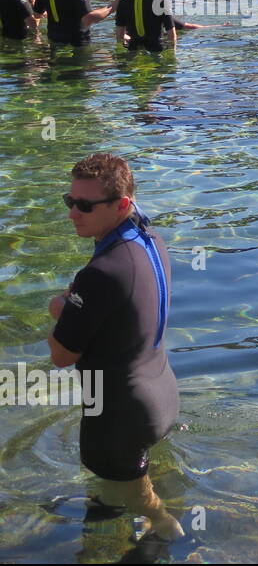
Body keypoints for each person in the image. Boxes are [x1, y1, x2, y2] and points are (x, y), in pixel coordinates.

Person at [47, 153, 182, 539]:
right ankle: (109, 510)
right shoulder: (150, 238)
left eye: (85, 205)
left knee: (140, 499)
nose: (73, 212)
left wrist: (59, 309)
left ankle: (163, 529)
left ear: (122, 204)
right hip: (161, 394)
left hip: (116, 416)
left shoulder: (101, 274)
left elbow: (60, 356)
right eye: (69, 201)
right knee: (117, 492)